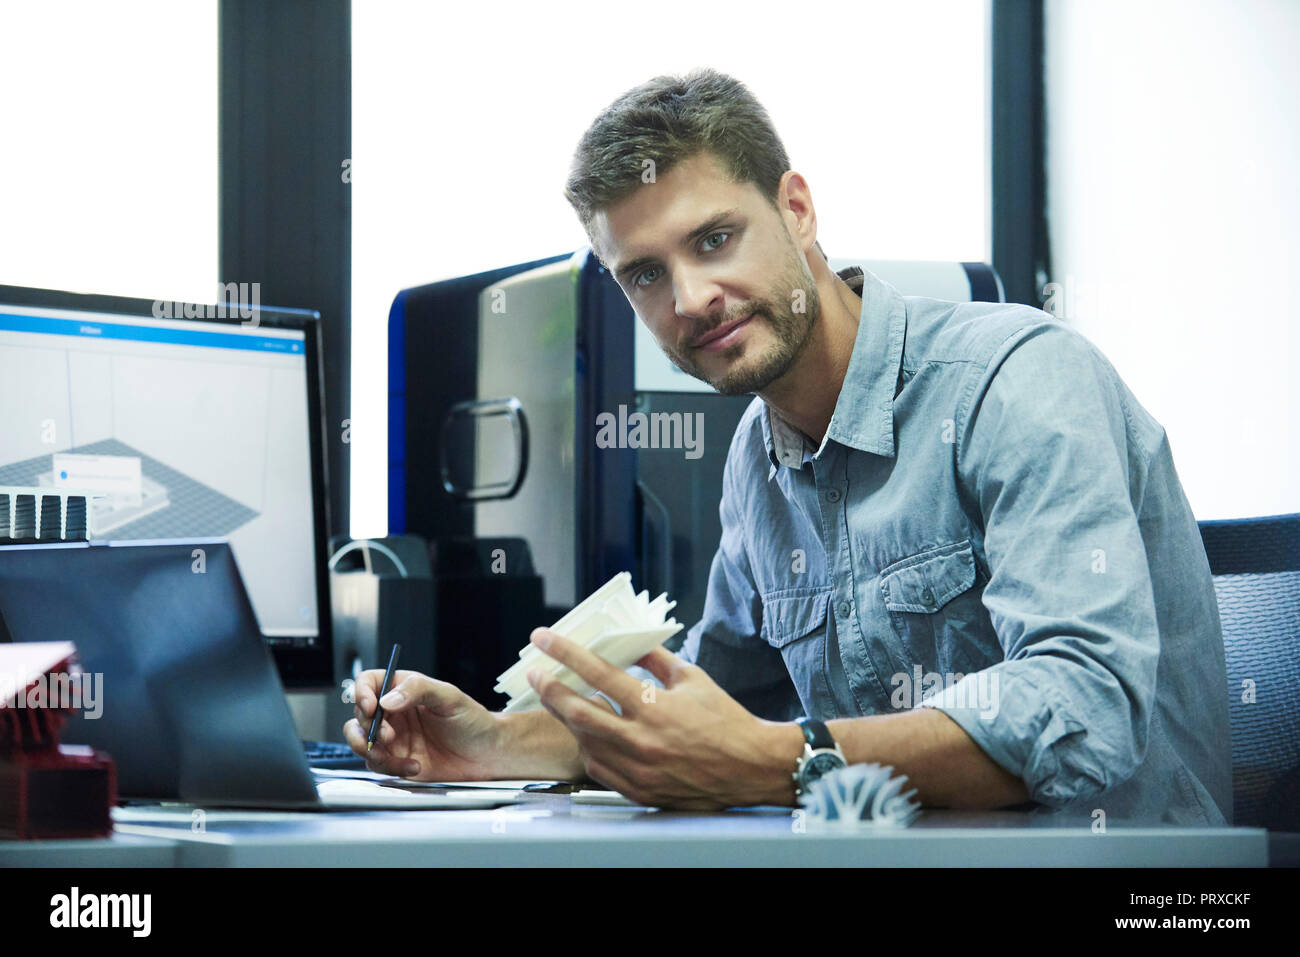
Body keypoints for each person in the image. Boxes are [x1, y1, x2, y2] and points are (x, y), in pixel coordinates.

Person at [345, 68, 1231, 825]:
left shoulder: (1018, 381)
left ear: (797, 209)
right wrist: (494, 742)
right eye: (646, 274)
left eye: (714, 239)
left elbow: (1087, 706)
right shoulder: (757, 462)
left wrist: (782, 759)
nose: (691, 298)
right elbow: (705, 707)